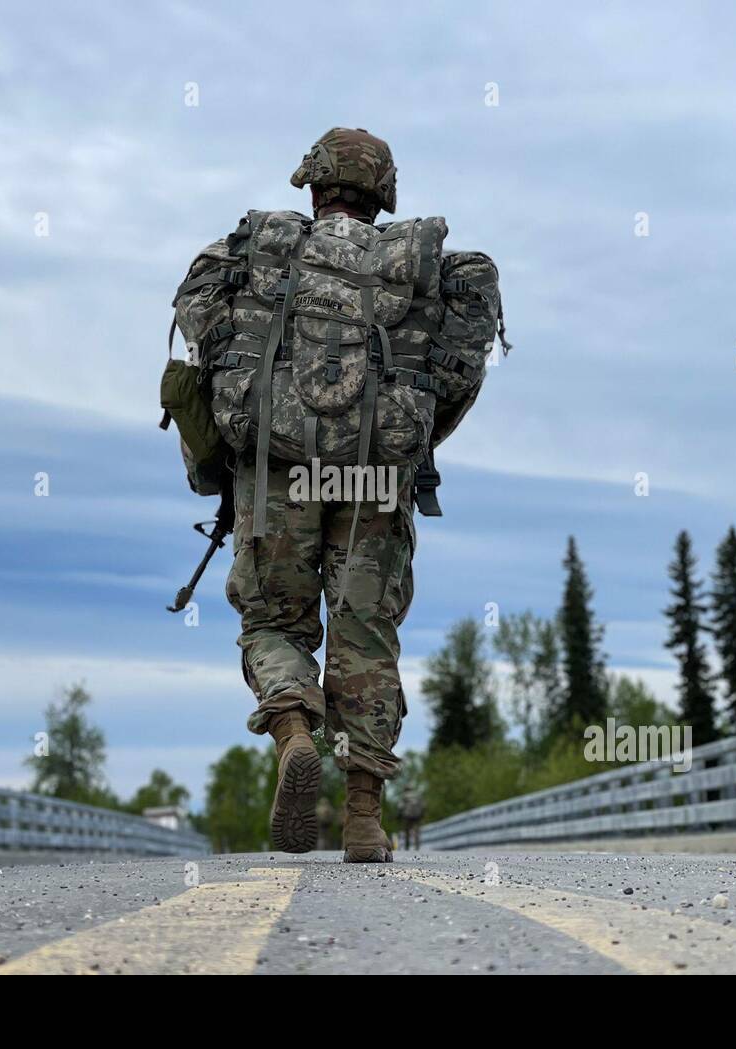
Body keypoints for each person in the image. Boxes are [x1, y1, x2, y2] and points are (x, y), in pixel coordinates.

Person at [168, 128, 504, 862]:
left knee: (273, 620)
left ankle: (292, 731)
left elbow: (199, 345)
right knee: (364, 636)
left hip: (275, 468)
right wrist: (406, 439)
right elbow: (455, 374)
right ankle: (361, 819)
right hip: (374, 476)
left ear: (315, 187)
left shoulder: (258, 253)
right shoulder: (413, 272)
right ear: (382, 195)